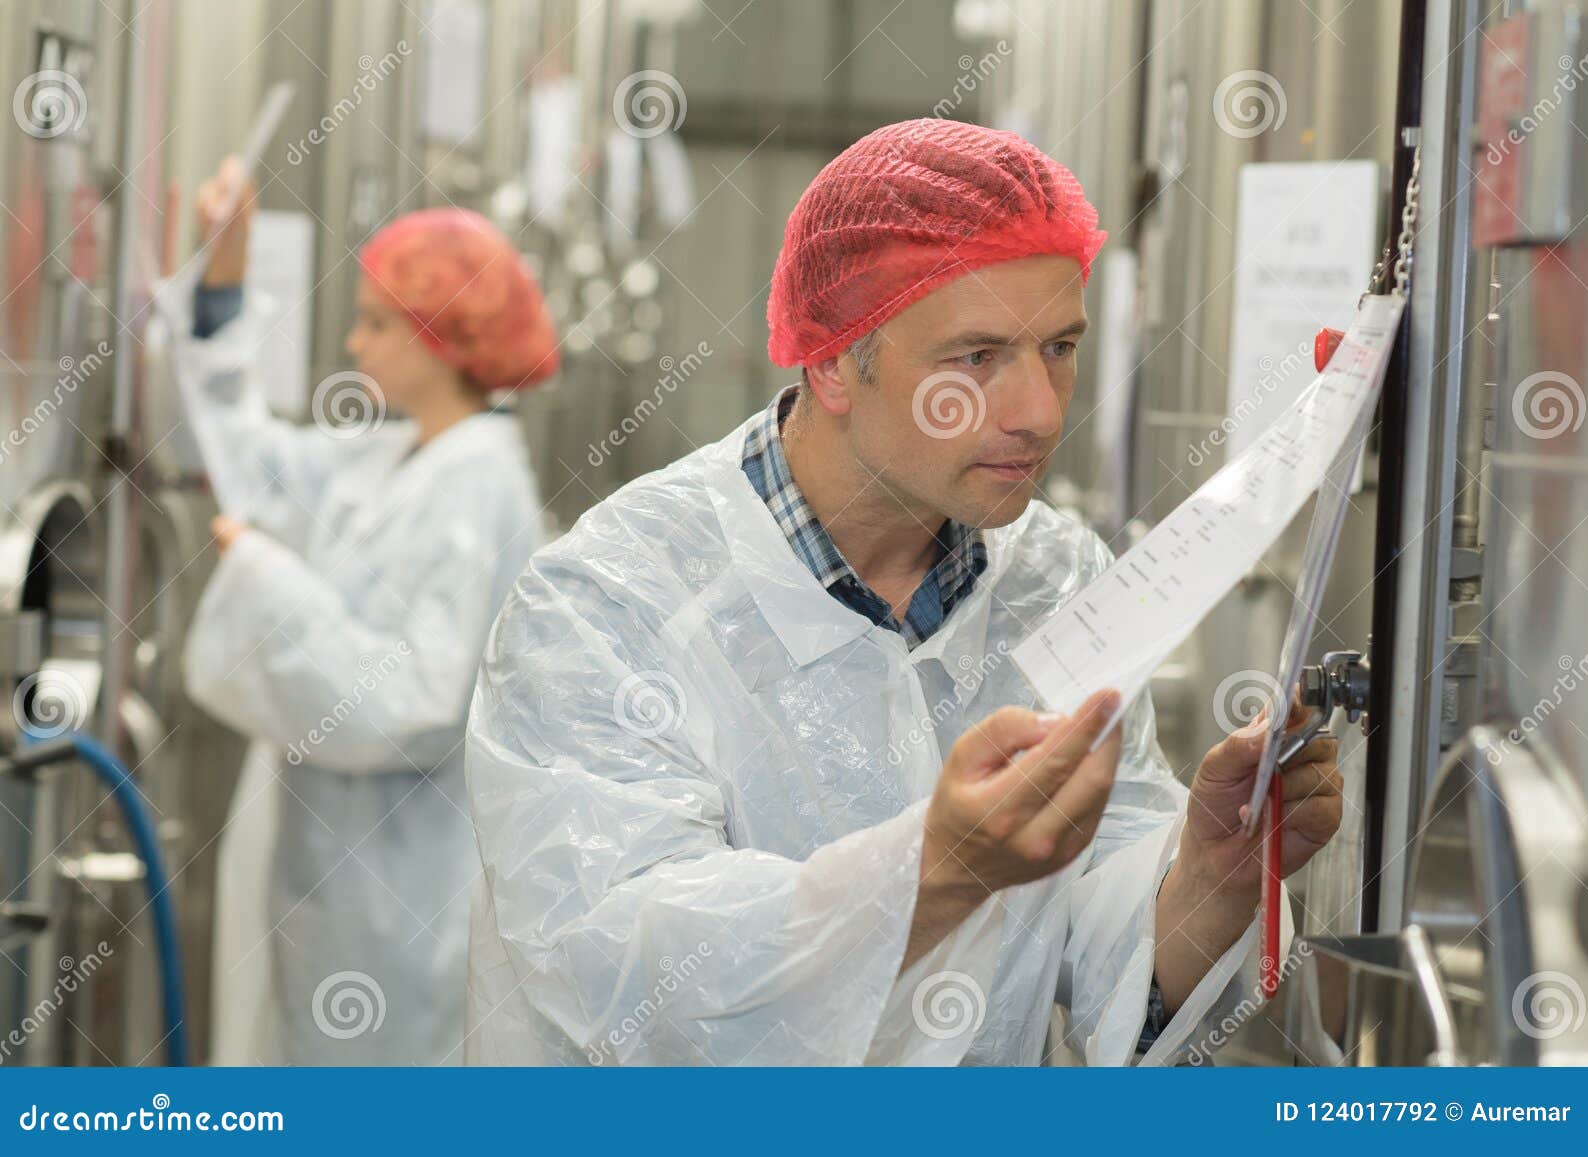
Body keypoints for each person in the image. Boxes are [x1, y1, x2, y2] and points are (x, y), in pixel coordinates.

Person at [462, 120, 1341, 1065]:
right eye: (975, 358)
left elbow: (1094, 952)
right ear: (835, 361)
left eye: (1059, 347)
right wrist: (936, 872)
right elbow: (627, 974)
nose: (1040, 411)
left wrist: (1211, 871)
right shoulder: (607, 604)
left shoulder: (1057, 580)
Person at [173, 159, 559, 1065]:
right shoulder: (392, 456)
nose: (354, 345)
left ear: (445, 336)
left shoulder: (477, 486)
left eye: (380, 324)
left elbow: (415, 703)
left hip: (396, 889)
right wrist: (221, 287)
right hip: (333, 874)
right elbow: (250, 462)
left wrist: (266, 580)